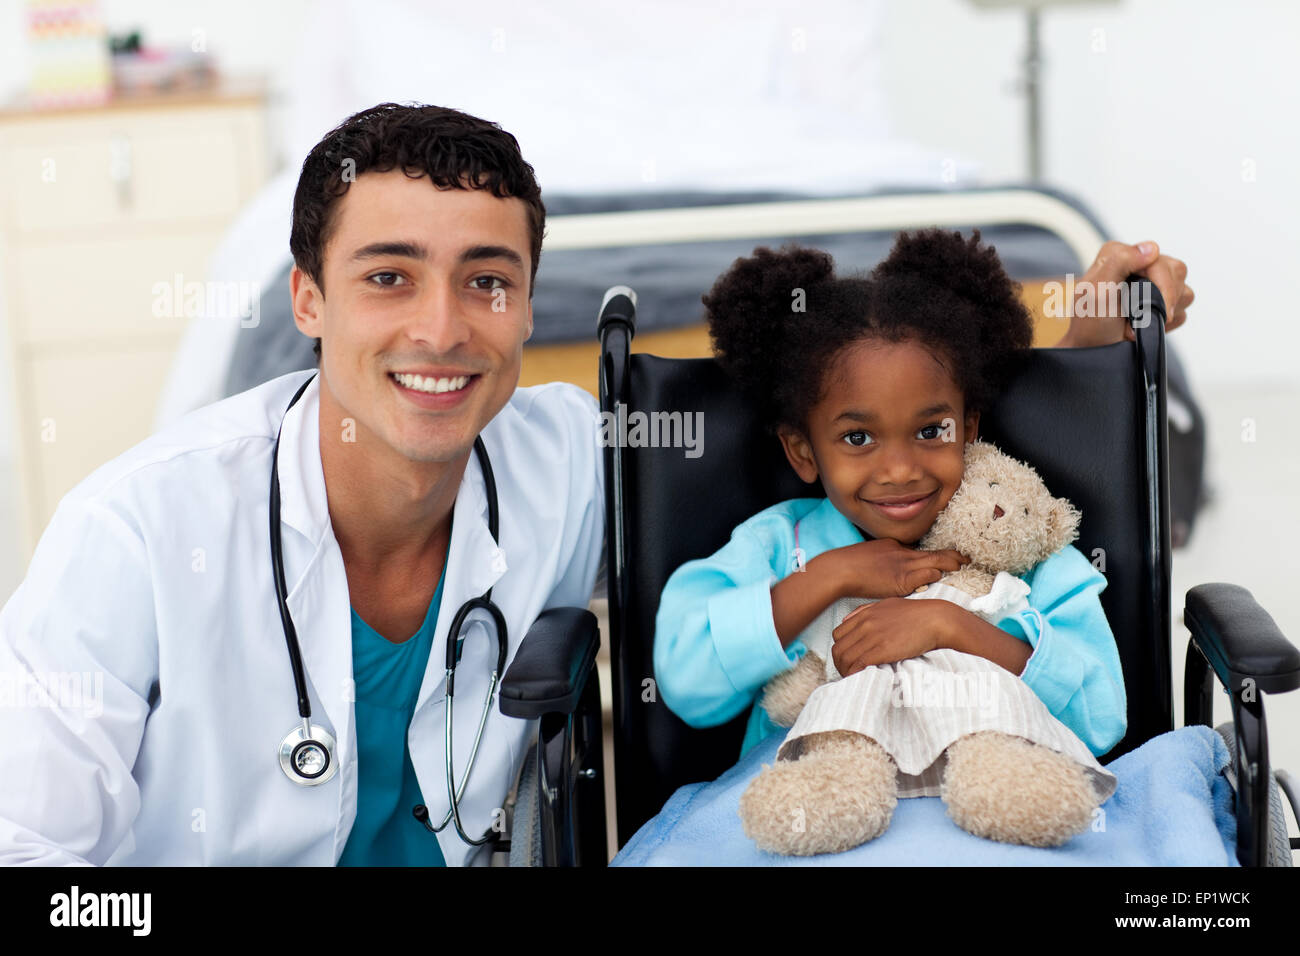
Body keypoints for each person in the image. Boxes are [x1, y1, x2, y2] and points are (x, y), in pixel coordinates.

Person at [0, 103, 603, 866]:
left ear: (524, 311)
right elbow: (22, 849)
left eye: (486, 280)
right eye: (389, 277)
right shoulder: (135, 531)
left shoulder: (574, 460)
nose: (442, 330)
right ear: (308, 301)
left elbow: (777, 500)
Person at [652, 232, 1127, 789]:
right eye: (858, 438)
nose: (900, 469)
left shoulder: (1022, 547)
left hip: (984, 806)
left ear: (967, 428)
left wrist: (950, 626)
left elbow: (1101, 718)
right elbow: (686, 682)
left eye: (931, 431)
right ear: (803, 451)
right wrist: (832, 576)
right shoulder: (778, 545)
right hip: (823, 811)